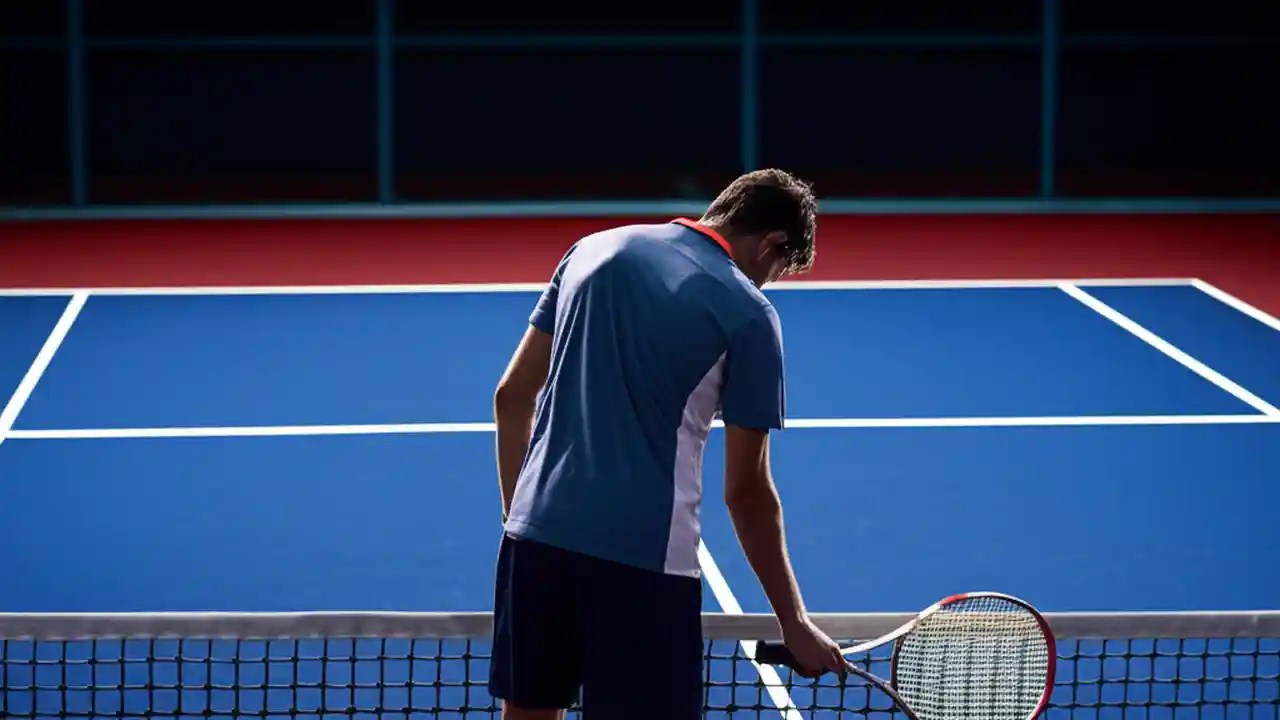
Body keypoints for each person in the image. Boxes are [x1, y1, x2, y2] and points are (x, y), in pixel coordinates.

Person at [489, 169, 844, 719]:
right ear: (774, 243)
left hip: (534, 543)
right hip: (642, 566)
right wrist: (793, 623)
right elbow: (747, 493)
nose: (768, 282)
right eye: (777, 269)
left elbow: (511, 397)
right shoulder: (749, 313)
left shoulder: (591, 249)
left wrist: (523, 521)